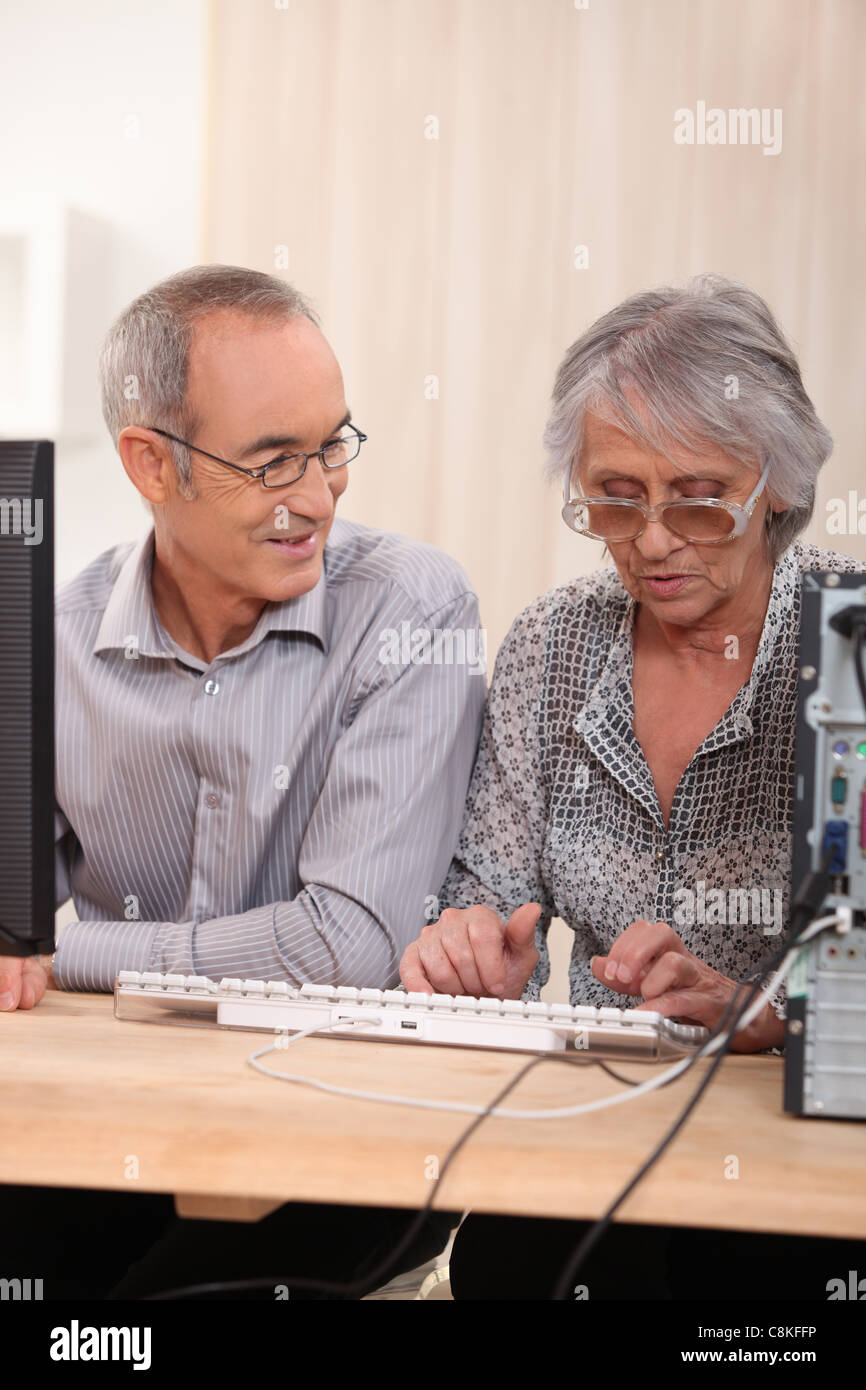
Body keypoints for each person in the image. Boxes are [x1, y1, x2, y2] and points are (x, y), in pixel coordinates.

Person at [0, 264, 484, 1297]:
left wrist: (64, 947)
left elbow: (343, 948)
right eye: (273, 463)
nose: (316, 497)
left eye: (330, 448)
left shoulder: (410, 609)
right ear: (150, 463)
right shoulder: (53, 641)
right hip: (112, 1118)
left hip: (347, 1129)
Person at [400, 273, 865, 1299]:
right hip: (584, 1160)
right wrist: (473, 948)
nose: (650, 540)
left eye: (696, 498)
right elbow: (483, 896)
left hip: (799, 1174)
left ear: (775, 484)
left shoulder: (848, 649)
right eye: (614, 496)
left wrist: (773, 1009)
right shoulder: (553, 645)